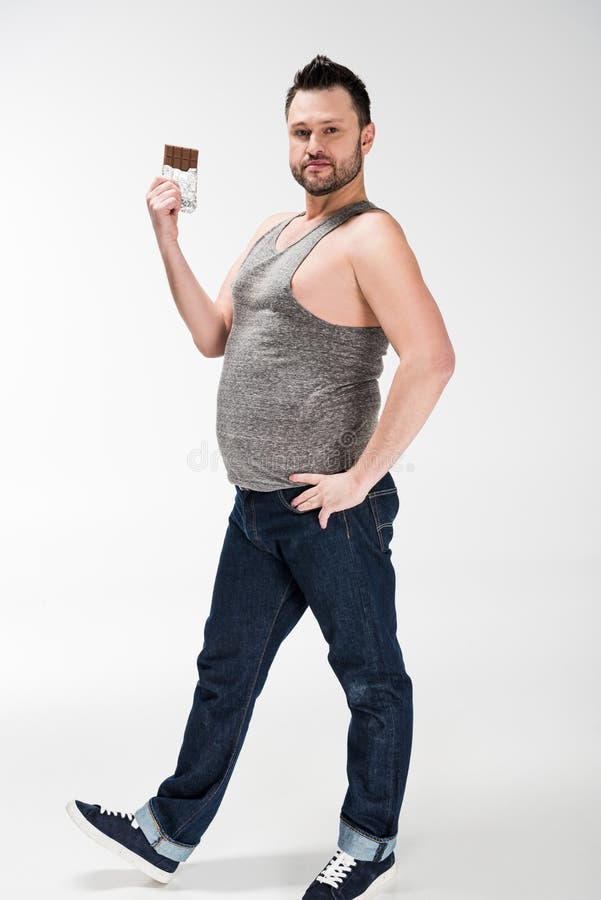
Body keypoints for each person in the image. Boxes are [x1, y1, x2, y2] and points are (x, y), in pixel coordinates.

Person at [66, 54, 455, 898]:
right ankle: (168, 832)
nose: (315, 145)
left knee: (371, 678)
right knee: (225, 669)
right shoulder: (273, 229)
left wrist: (359, 478)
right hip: (254, 507)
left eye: (331, 130)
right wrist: (168, 240)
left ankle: (371, 840)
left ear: (366, 137)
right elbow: (212, 334)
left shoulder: (372, 235)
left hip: (328, 514)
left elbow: (431, 359)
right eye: (302, 131)